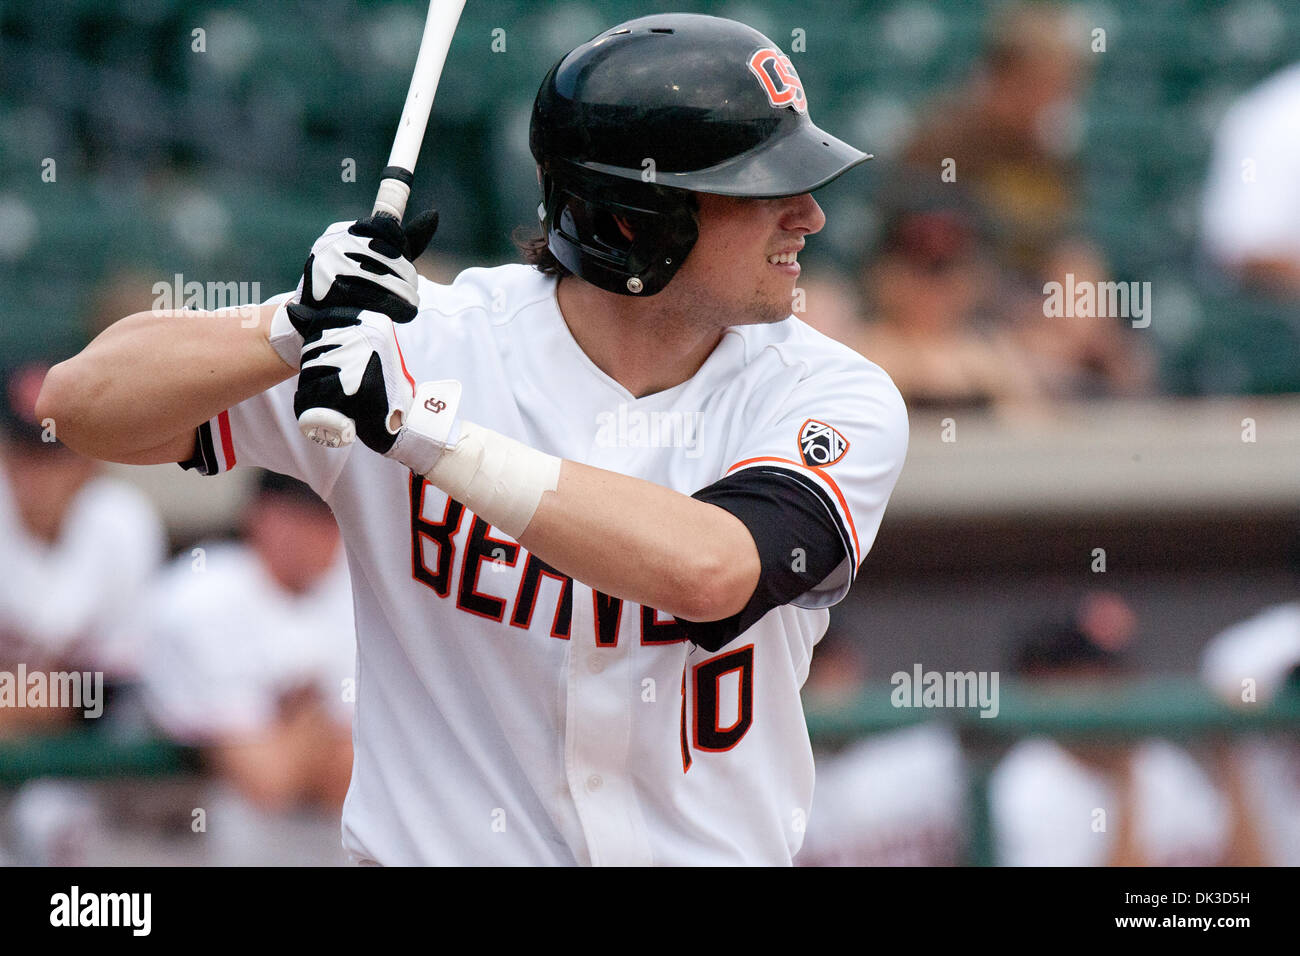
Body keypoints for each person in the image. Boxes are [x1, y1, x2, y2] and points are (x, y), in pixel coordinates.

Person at [39, 14, 908, 865]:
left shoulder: (831, 393)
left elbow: (712, 573)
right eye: (762, 188)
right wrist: (290, 325)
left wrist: (422, 434)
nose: (808, 216)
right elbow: (80, 405)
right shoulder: (427, 338)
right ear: (638, 218)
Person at [138, 470, 355, 865]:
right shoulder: (201, 594)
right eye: (303, 517)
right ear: (260, 516)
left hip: (315, 834)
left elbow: (355, 775)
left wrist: (294, 732)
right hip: (149, 824)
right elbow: (266, 780)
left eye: (331, 519)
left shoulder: (353, 589)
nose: (323, 536)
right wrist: (320, 726)